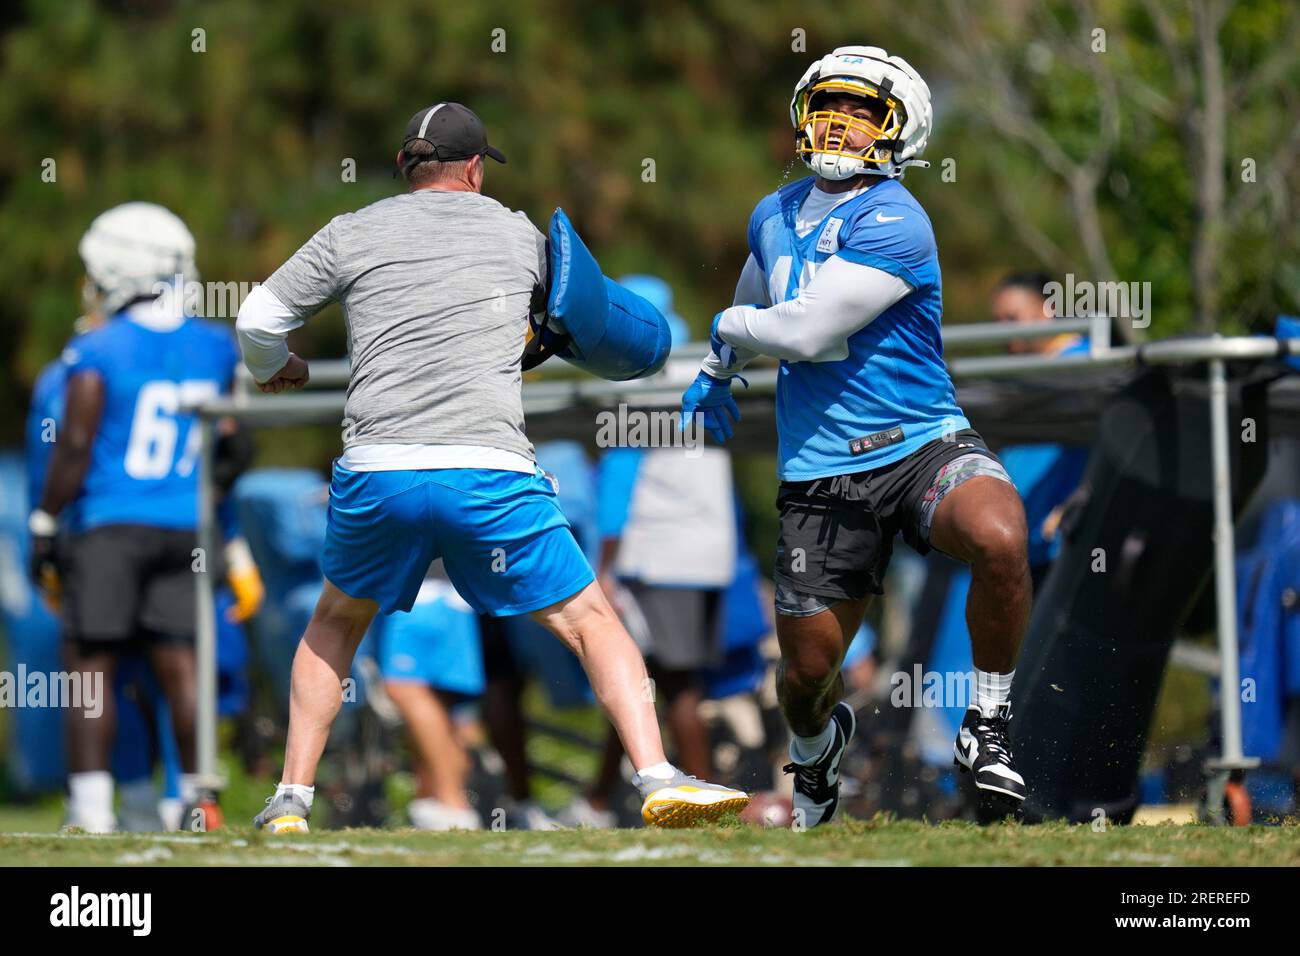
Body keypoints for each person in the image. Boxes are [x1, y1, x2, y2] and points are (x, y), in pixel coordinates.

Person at [236, 101, 748, 833]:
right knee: (588, 618)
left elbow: (256, 318)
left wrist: (274, 367)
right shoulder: (518, 233)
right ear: (476, 169)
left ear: (403, 169)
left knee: (336, 619)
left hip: (378, 469)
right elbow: (586, 323)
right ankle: (657, 777)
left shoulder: (351, 231)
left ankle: (291, 799)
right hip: (488, 471)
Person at [683, 47, 1032, 826]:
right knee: (806, 677)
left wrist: (723, 332)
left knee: (1001, 534)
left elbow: (807, 332)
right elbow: (759, 288)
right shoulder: (772, 212)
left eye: (863, 110)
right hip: (820, 473)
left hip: (919, 444)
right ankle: (815, 756)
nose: (842, 120)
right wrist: (717, 371)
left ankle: (989, 724)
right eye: (831, 104)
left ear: (896, 130)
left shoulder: (897, 219)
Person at [29, 202, 240, 832]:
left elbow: (75, 444)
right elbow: (236, 443)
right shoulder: (214, 346)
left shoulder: (98, 349)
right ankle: (195, 800)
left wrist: (44, 524)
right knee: (181, 664)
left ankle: (91, 808)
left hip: (111, 523)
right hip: (187, 528)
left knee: (91, 663)